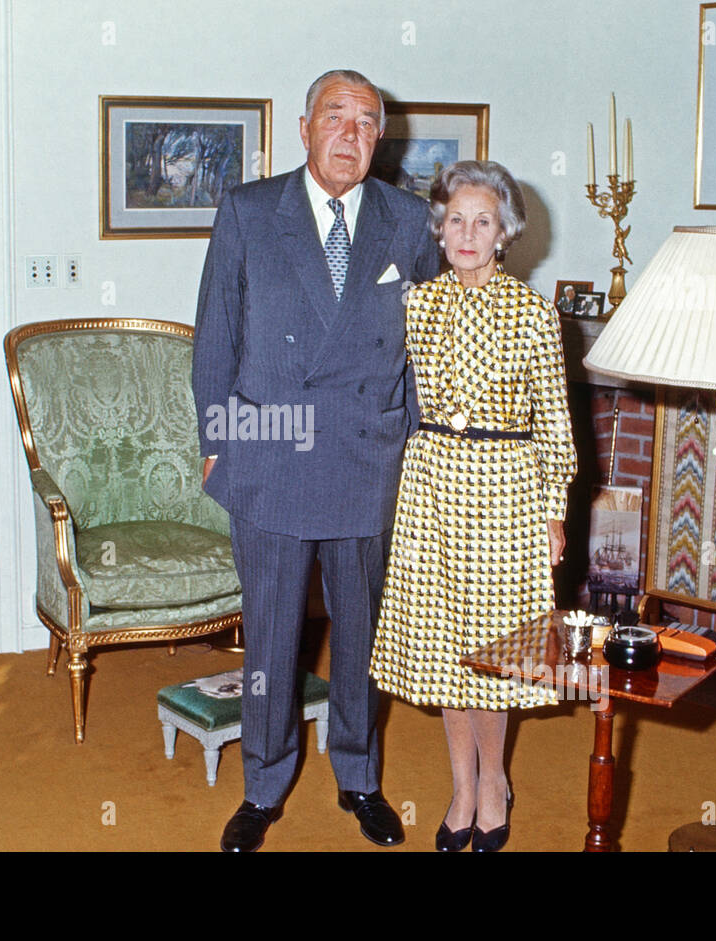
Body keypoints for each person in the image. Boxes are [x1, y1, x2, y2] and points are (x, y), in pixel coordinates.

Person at [193, 69, 439, 852]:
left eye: (368, 122)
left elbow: (429, 355)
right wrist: (214, 440)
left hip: (369, 459)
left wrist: (426, 459)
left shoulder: (408, 221)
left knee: (362, 632)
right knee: (270, 637)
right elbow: (216, 337)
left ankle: (360, 776)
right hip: (269, 454)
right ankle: (263, 786)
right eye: (336, 116)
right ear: (303, 128)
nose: (352, 134)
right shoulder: (248, 210)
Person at [369, 160, 577, 852]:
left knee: (494, 654)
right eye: (455, 219)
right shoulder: (417, 304)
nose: (466, 232)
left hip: (506, 490)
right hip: (432, 489)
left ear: (504, 231)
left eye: (481, 220)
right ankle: (462, 783)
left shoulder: (531, 310)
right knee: (444, 654)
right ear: (440, 227)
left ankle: (495, 780)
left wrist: (554, 511)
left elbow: (555, 421)